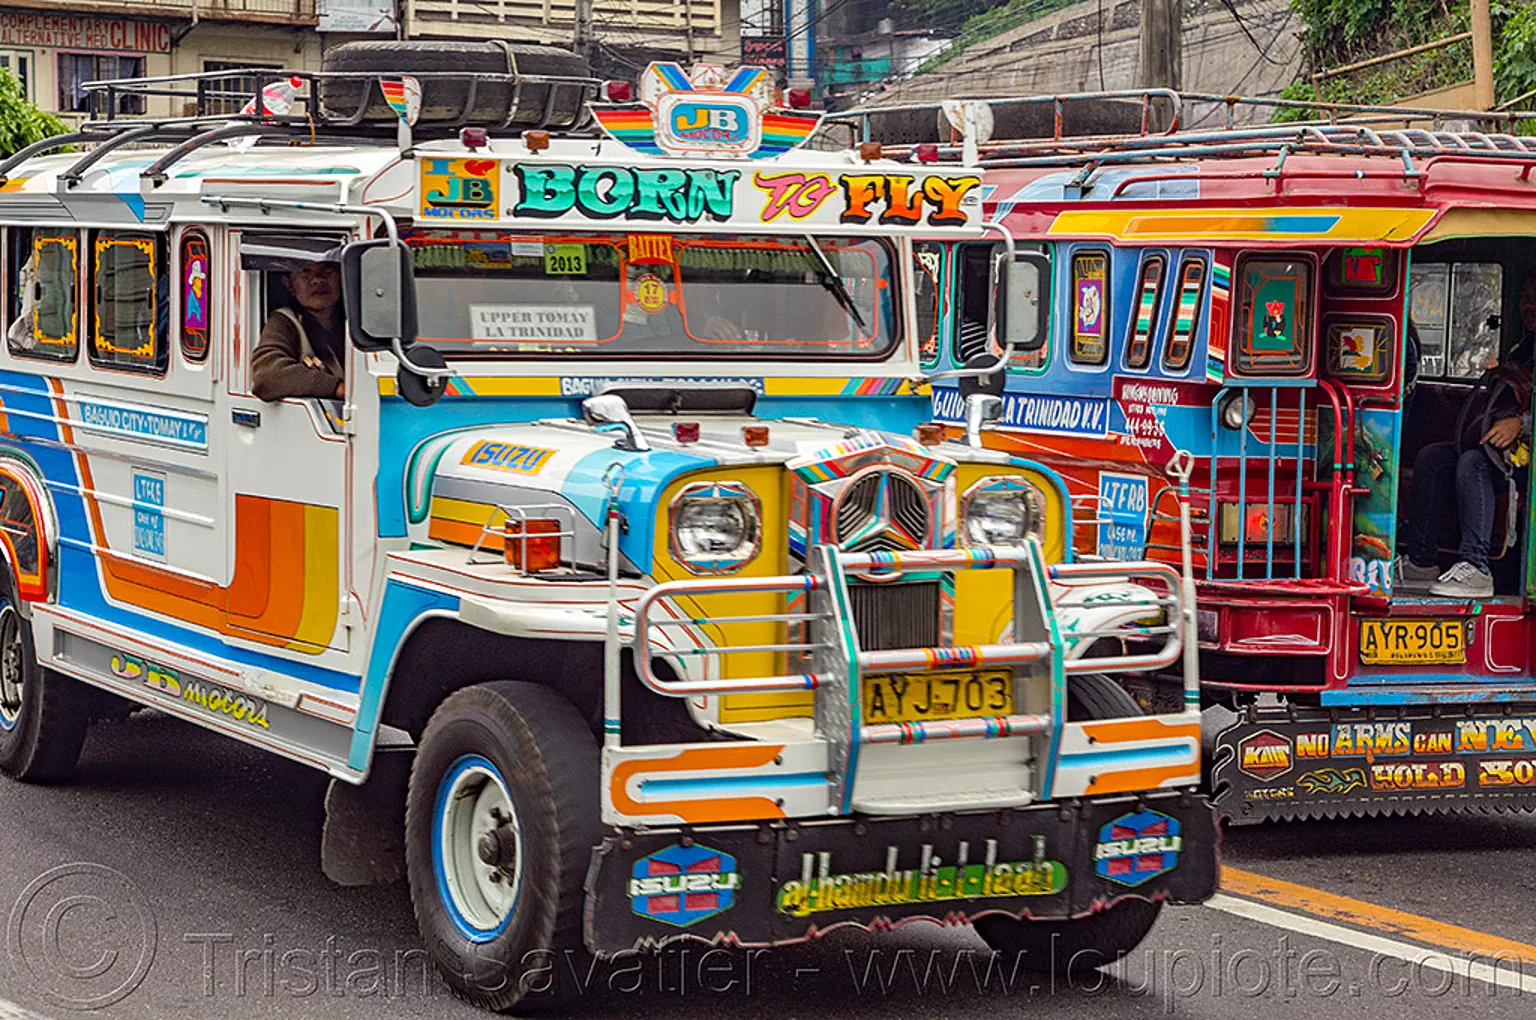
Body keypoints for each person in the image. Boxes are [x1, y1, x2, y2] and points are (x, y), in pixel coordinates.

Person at [1394, 269, 1536, 598]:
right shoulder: (1523, 346)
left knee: (1473, 463)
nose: (1530, 308)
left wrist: (1522, 425)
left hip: (1524, 458)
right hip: (1502, 447)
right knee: (1433, 458)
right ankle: (1421, 561)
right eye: (1525, 300)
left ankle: (1477, 567)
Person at [251, 258, 346, 402]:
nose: (317, 280)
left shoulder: (360, 321)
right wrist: (337, 388)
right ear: (288, 284)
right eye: (305, 271)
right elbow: (266, 375)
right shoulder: (285, 320)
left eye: (327, 269)